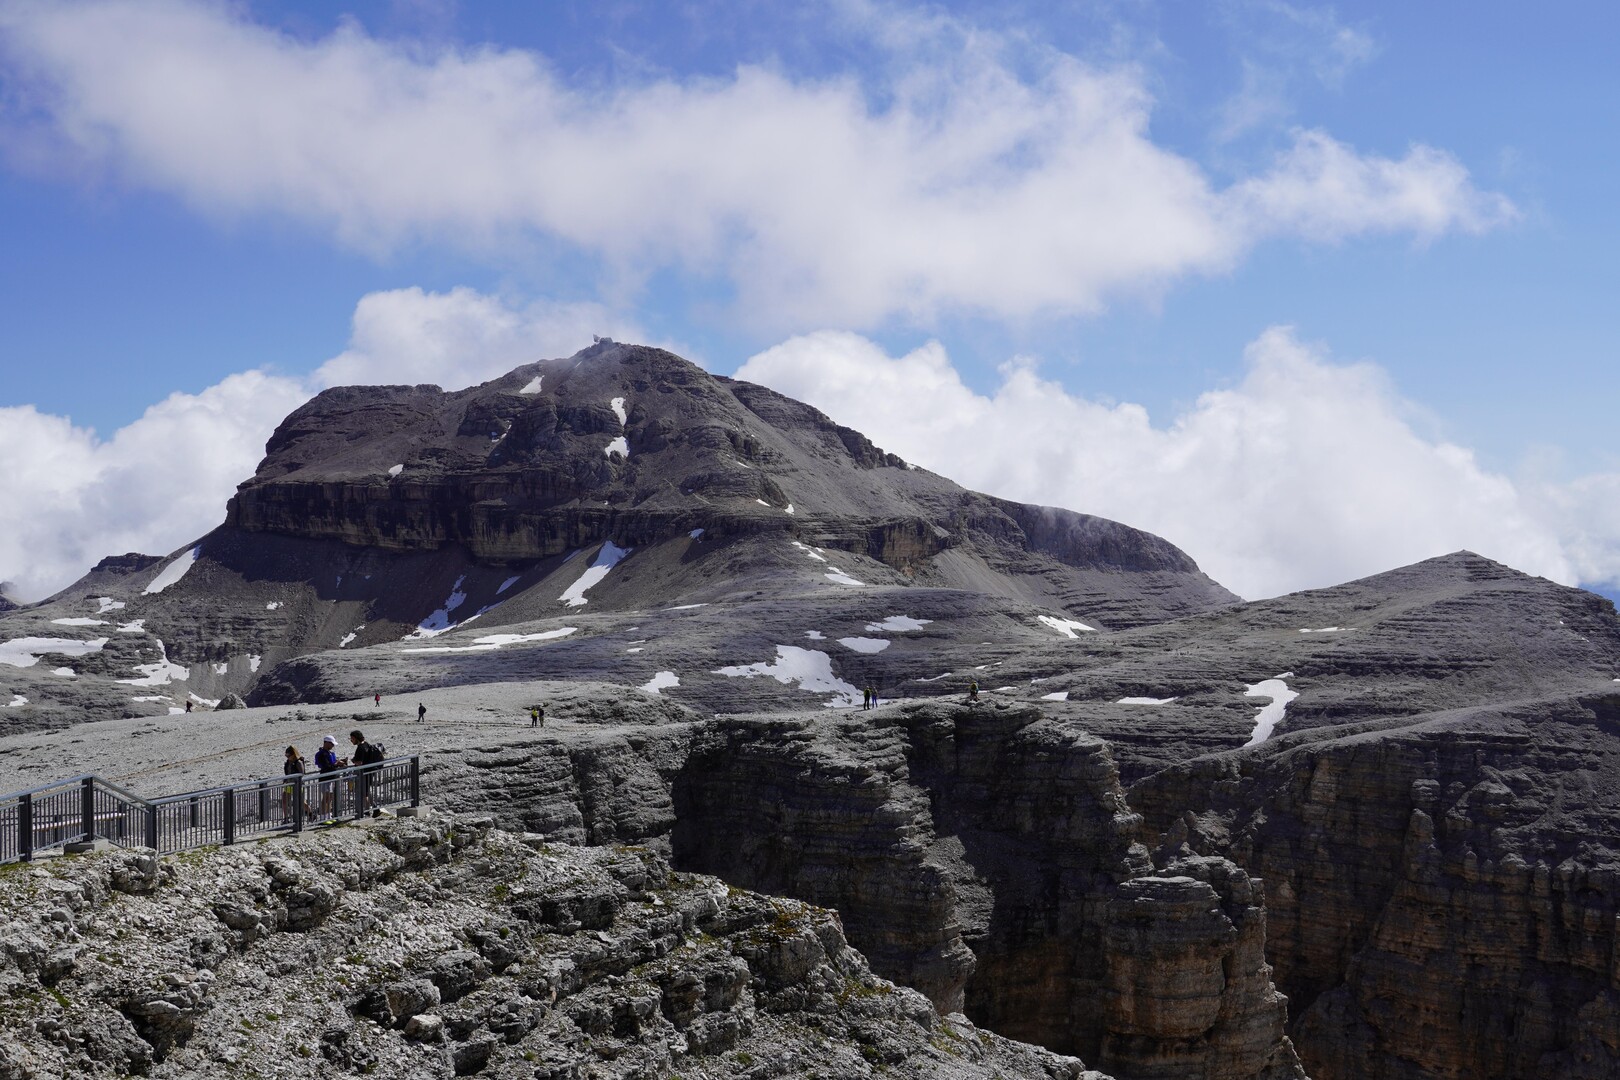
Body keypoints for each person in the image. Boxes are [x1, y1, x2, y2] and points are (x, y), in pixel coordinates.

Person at [315, 734, 346, 819]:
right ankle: (323, 816)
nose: (332, 746)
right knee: (326, 797)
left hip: (332, 777)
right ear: (326, 743)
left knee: (330, 797)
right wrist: (337, 764)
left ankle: (328, 814)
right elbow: (326, 766)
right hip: (325, 778)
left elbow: (332, 764)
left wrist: (338, 763)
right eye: (331, 744)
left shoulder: (330, 753)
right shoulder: (322, 754)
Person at [280, 746, 306, 822]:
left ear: (293, 754)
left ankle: (310, 814)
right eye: (286, 755)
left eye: (288, 755)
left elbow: (302, 773)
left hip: (297, 785)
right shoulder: (288, 762)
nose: (287, 757)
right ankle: (286, 818)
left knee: (301, 802)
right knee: (284, 801)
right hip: (288, 784)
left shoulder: (298, 762)